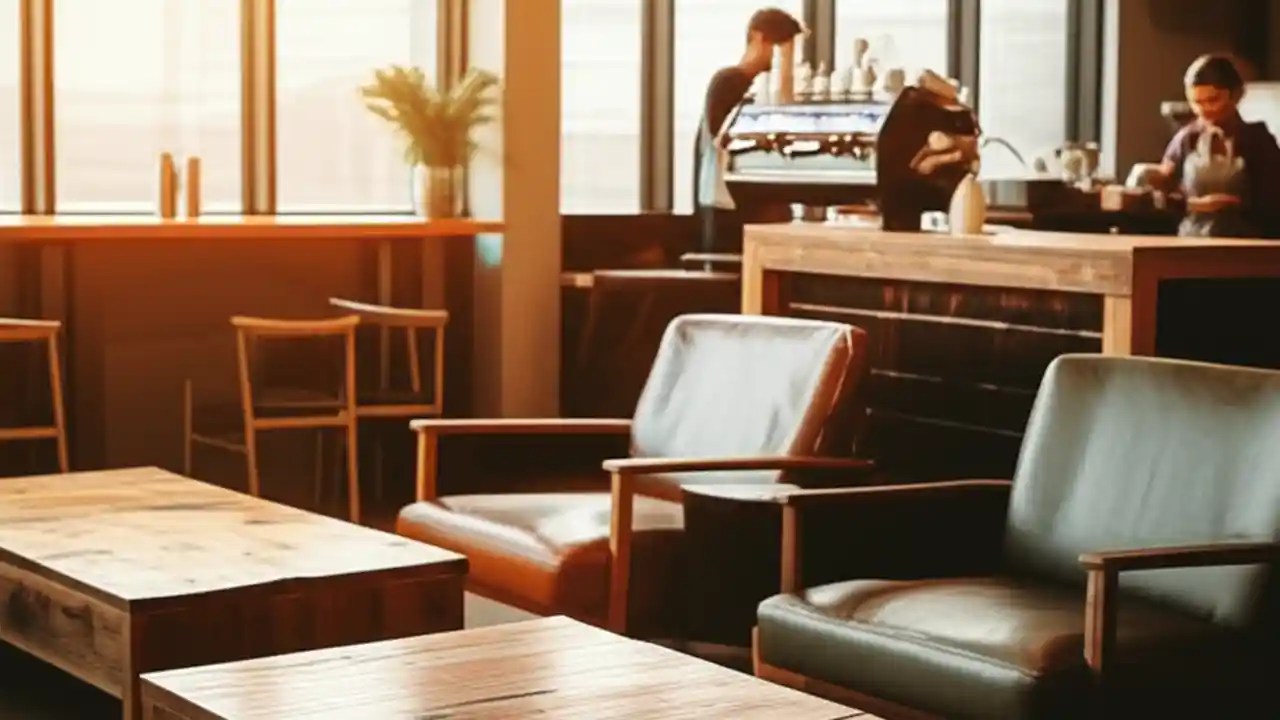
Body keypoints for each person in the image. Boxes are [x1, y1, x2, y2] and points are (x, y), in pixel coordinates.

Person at [693, 7, 805, 254]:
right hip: (728, 209)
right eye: (781, 48)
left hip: (748, 207)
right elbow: (725, 140)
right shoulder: (729, 81)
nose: (785, 61)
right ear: (758, 38)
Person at [1155, 53, 1280, 238]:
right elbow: (1162, 195)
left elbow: (1273, 201)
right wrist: (1198, 205)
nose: (1205, 110)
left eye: (1213, 100)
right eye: (1197, 103)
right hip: (1191, 241)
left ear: (1236, 95)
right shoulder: (1187, 139)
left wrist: (1237, 205)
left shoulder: (1258, 140)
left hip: (1247, 244)